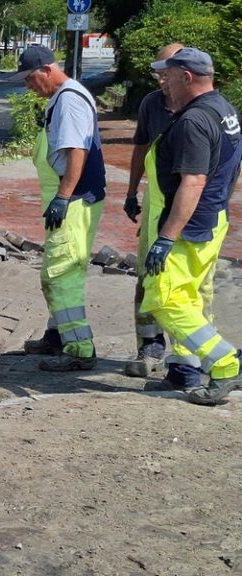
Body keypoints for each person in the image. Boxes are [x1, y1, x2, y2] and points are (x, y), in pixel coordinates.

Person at [141, 47, 242, 405]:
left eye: (167, 74)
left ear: (186, 77)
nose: (162, 81)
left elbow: (194, 181)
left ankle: (226, 362)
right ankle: (185, 368)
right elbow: (230, 168)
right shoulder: (224, 110)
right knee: (190, 299)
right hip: (212, 220)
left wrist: (166, 237)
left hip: (190, 226)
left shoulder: (194, 121)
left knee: (166, 299)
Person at [13, 46, 107, 371]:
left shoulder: (68, 100)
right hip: (73, 200)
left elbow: (76, 152)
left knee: (60, 275)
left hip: (75, 201)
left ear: (48, 70)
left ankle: (80, 349)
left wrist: (64, 196)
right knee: (60, 268)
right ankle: (57, 336)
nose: (28, 85)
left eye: (30, 78)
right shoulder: (64, 96)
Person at [123, 43, 191, 381]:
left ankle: (185, 356)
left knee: (187, 286)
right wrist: (132, 190)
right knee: (147, 278)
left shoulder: (203, 109)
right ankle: (150, 345)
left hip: (192, 208)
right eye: (159, 73)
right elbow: (141, 149)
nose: (162, 79)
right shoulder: (152, 104)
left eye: (168, 73)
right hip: (156, 204)